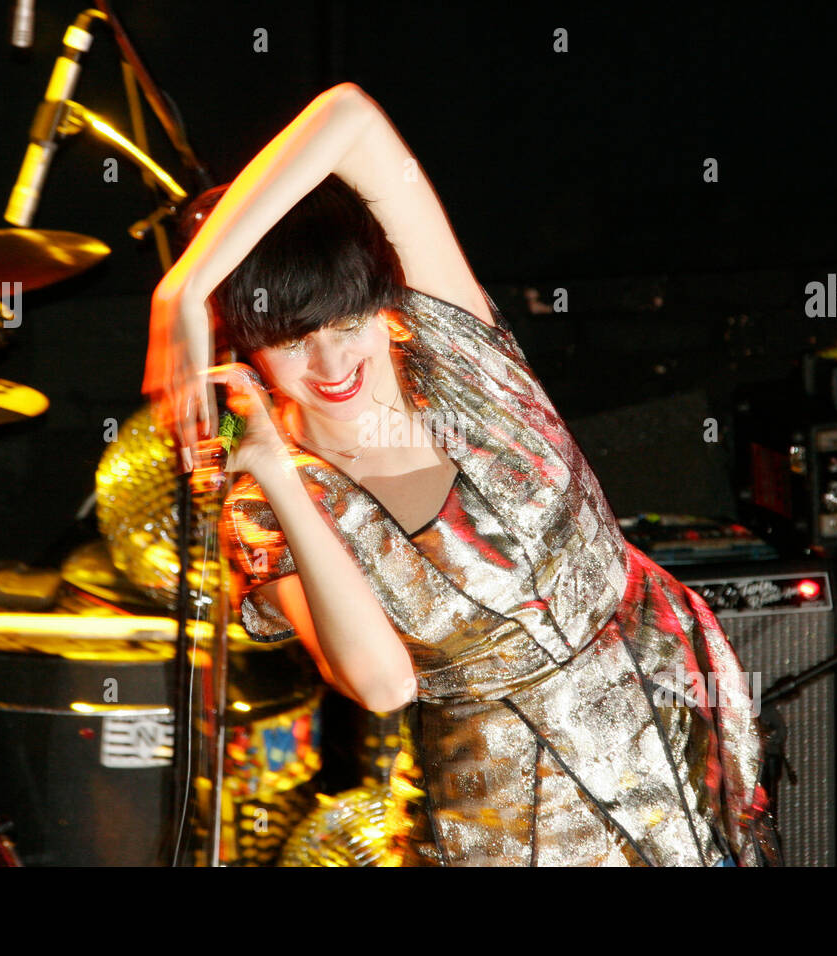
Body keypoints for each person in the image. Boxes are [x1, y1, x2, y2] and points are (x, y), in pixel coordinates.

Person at [144, 83, 771, 866]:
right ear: (246, 351)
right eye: (295, 342)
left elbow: (351, 117)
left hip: (678, 712)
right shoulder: (265, 503)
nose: (334, 363)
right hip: (517, 821)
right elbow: (380, 685)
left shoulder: (450, 339)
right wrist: (271, 465)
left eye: (347, 323)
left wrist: (183, 287)